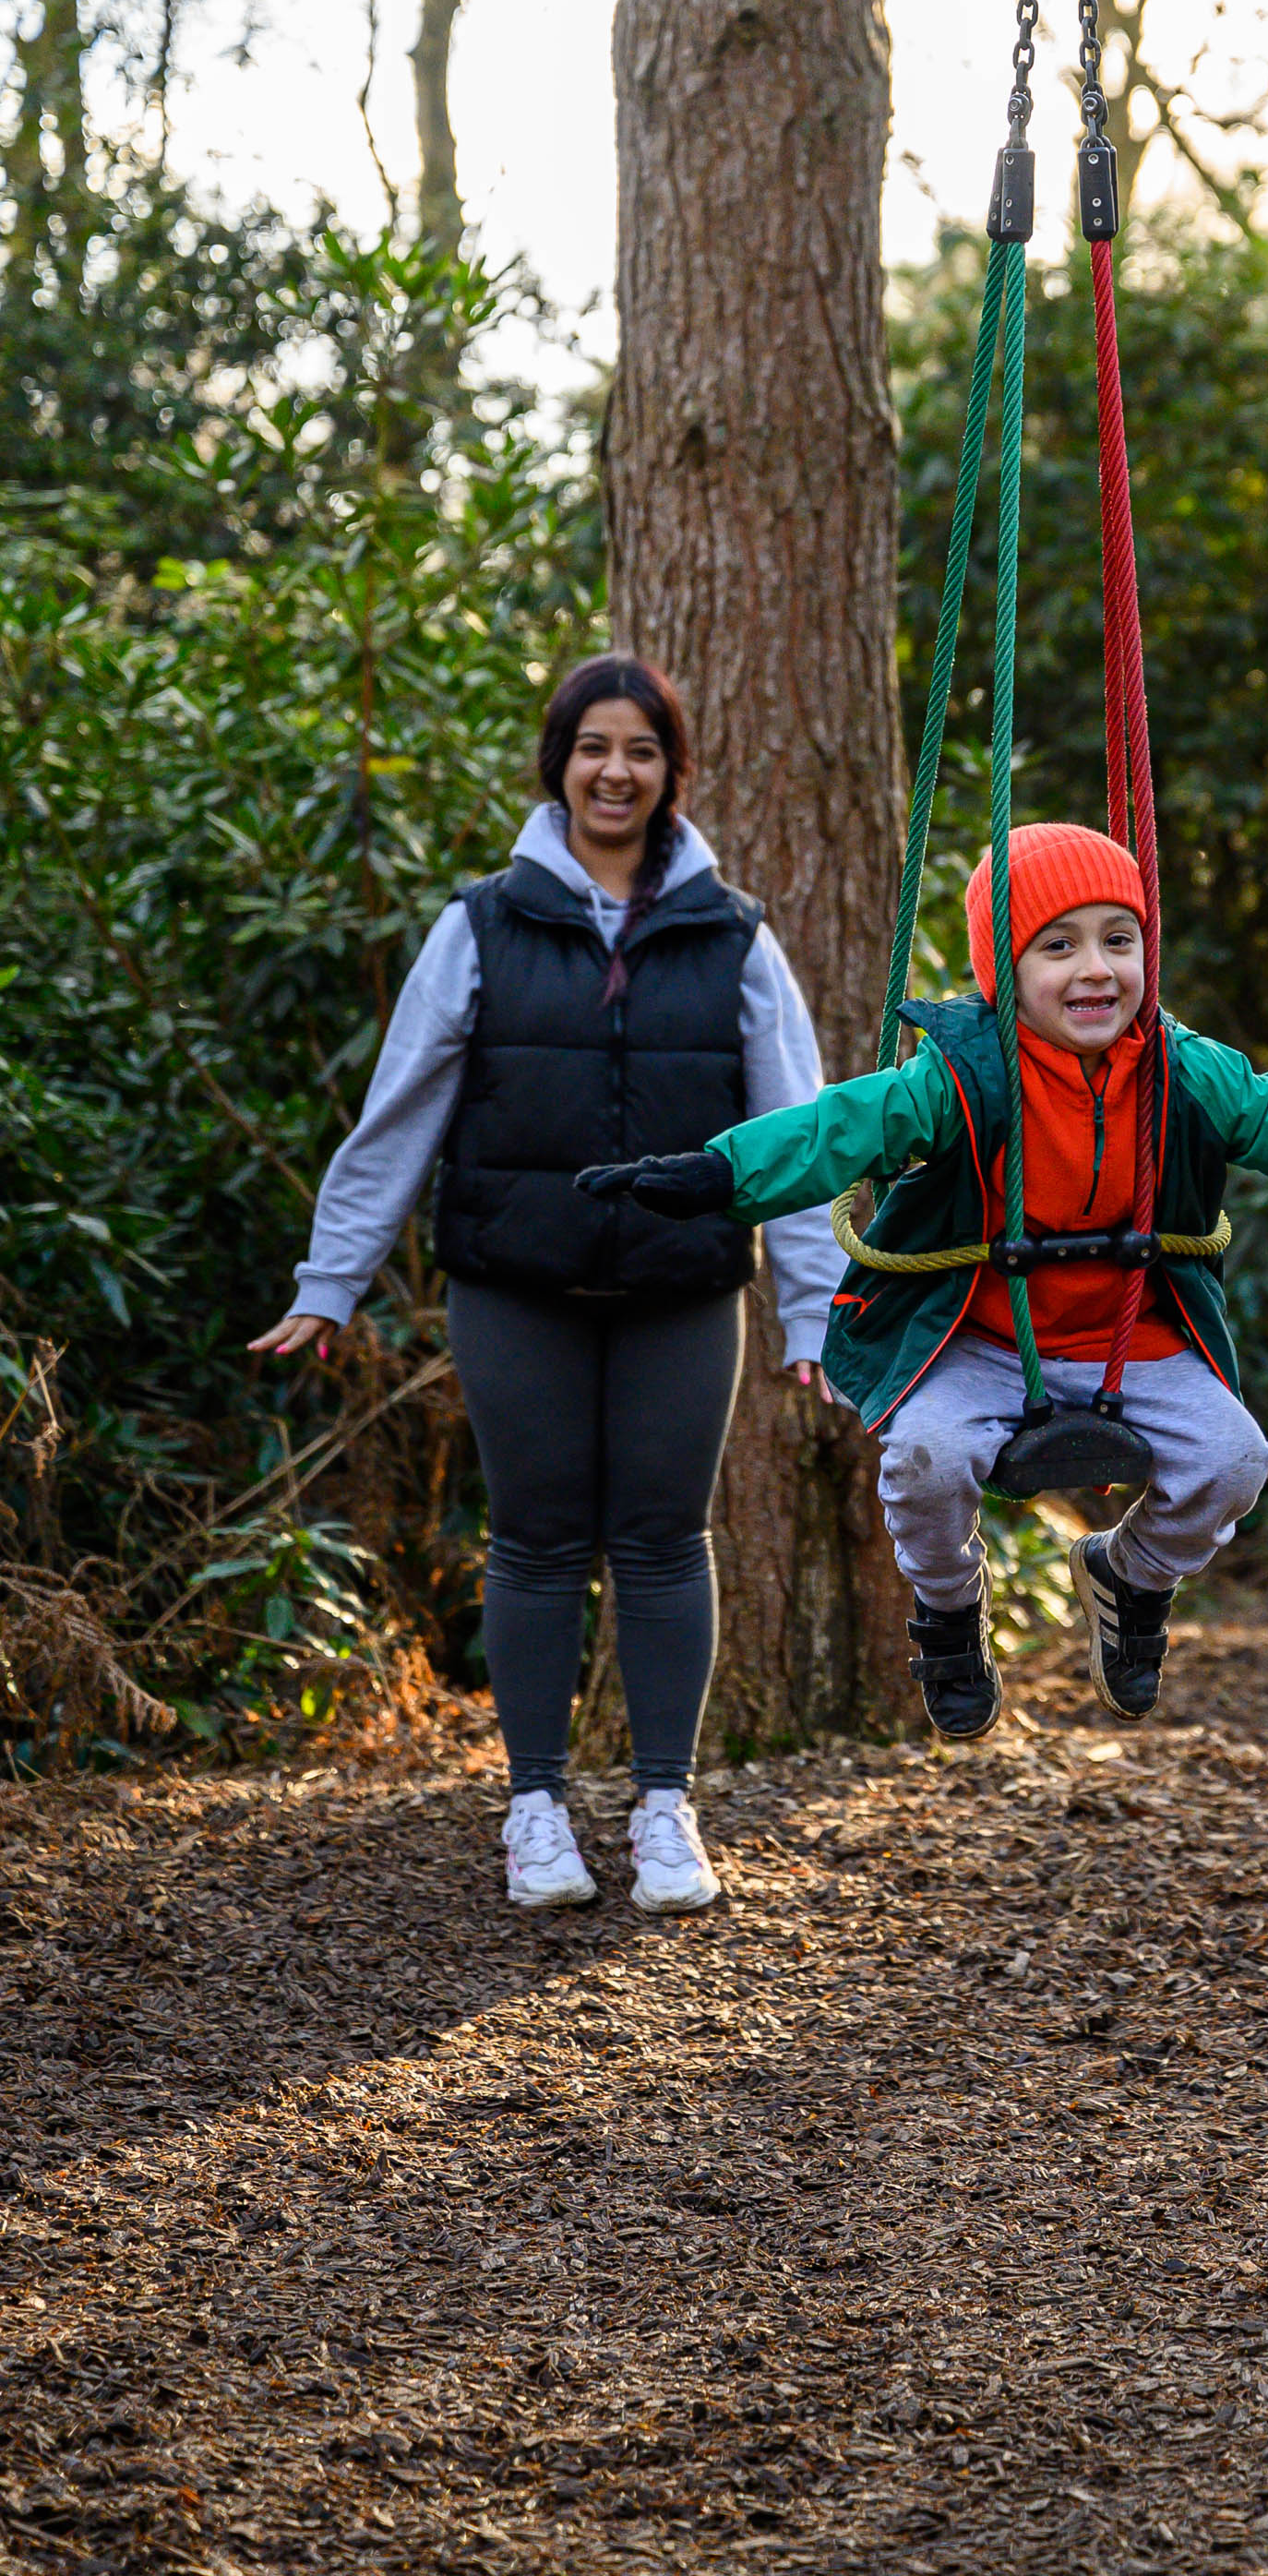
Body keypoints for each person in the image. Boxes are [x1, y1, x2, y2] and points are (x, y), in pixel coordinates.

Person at [579, 820, 1268, 1740]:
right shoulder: (964, 1074)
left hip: (1133, 1336)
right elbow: (841, 1127)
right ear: (1002, 969)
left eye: (1120, 940)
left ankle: (1128, 1573)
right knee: (929, 1459)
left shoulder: (1182, 1068)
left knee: (1235, 1460)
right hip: (980, 1336)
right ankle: (947, 1608)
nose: (1095, 969)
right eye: (1058, 945)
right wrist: (717, 1172)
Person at [249, 655, 844, 1909]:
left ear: (673, 770)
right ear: (558, 763)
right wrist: (331, 1277)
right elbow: (400, 1107)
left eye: (640, 749)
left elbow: (796, 1132)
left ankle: (667, 1810)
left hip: (682, 1287)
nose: (614, 771)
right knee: (531, 1539)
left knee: (665, 1540)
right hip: (514, 1279)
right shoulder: (481, 921)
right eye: (592, 747)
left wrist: (815, 1305)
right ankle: (534, 1809)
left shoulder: (735, 934)